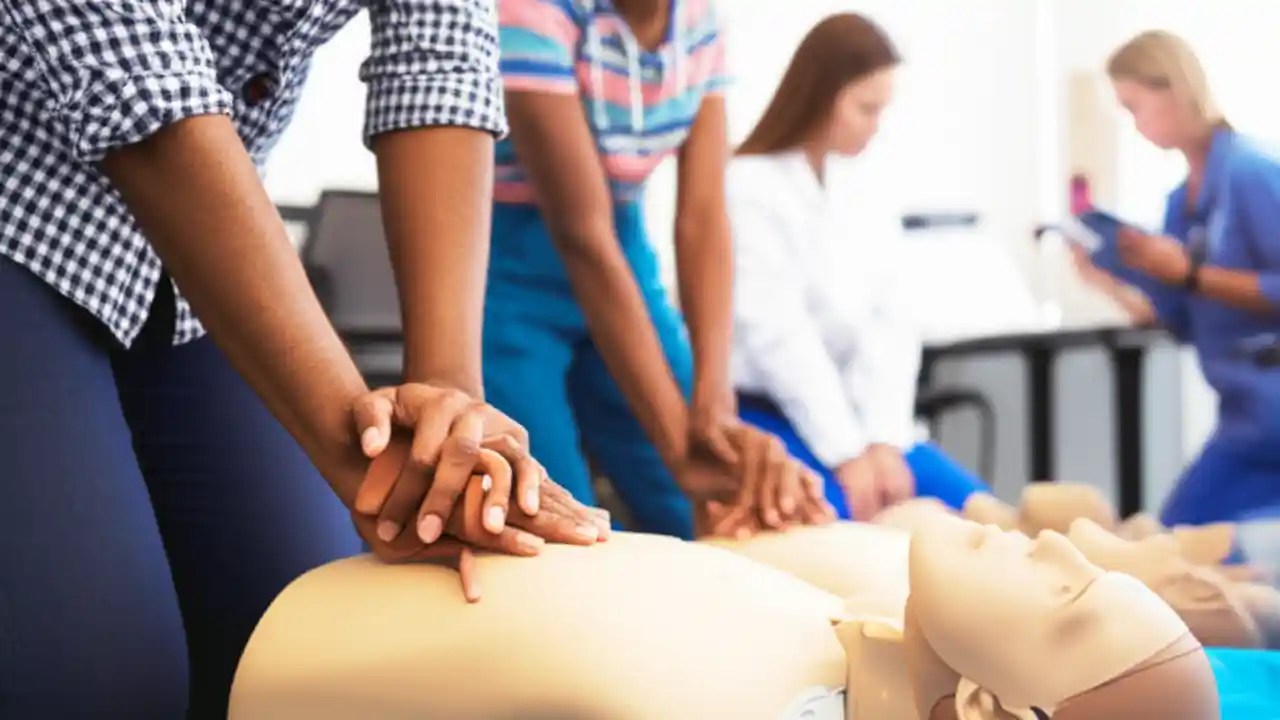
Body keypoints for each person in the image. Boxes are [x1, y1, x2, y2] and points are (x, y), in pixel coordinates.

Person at [0, 2, 605, 717]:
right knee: (105, 681)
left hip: (178, 271)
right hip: (21, 205)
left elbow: (440, 50)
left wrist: (450, 414)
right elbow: (130, 65)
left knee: (312, 646)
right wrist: (373, 469)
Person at [487, 0, 816, 539]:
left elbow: (704, 217)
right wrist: (676, 446)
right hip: (511, 270)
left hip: (624, 251)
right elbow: (583, 235)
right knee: (555, 514)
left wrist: (713, 401)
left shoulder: (700, 23)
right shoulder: (532, 13)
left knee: (717, 503)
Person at [726, 13, 988, 521]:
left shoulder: (860, 188)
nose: (875, 126)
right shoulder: (749, 186)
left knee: (980, 512)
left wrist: (882, 441)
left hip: (861, 421)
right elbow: (778, 335)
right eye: (867, 108)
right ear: (822, 94)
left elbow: (891, 322)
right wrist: (846, 452)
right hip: (769, 414)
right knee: (848, 525)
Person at [1075, 30, 1280, 527]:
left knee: (1199, 550)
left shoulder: (1251, 171)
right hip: (1246, 417)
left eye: (1135, 107)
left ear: (1175, 89)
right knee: (1174, 540)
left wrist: (1187, 273)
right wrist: (1107, 277)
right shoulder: (1177, 202)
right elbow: (1179, 320)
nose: (1135, 125)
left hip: (1270, 407)